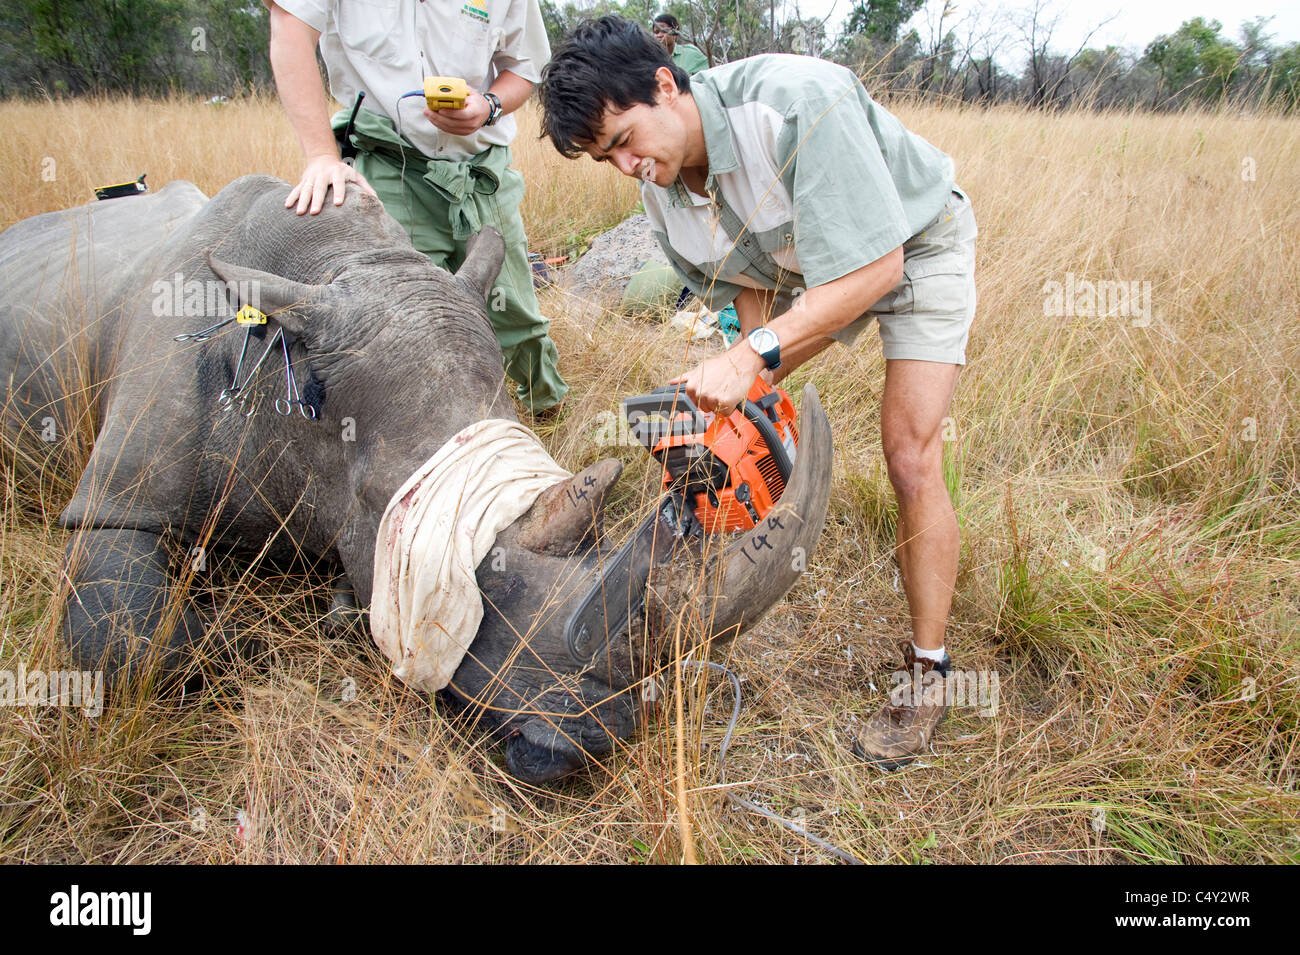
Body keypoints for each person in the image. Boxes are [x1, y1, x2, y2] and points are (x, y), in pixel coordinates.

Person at [538, 16, 978, 769]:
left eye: (624, 141)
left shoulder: (797, 105)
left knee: (909, 455)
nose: (626, 167)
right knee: (733, 426)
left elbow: (878, 269)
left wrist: (755, 356)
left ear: (665, 85)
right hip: (808, 264)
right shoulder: (663, 188)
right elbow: (747, 278)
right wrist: (755, 389)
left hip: (913, 243)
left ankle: (931, 676)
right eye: (605, 158)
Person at [264, 0, 569, 415]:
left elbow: (525, 67)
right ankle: (426, 424)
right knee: (402, 318)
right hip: (387, 163)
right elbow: (290, 26)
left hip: (479, 171)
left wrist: (489, 105)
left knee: (512, 307)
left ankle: (545, 406)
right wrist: (321, 156)